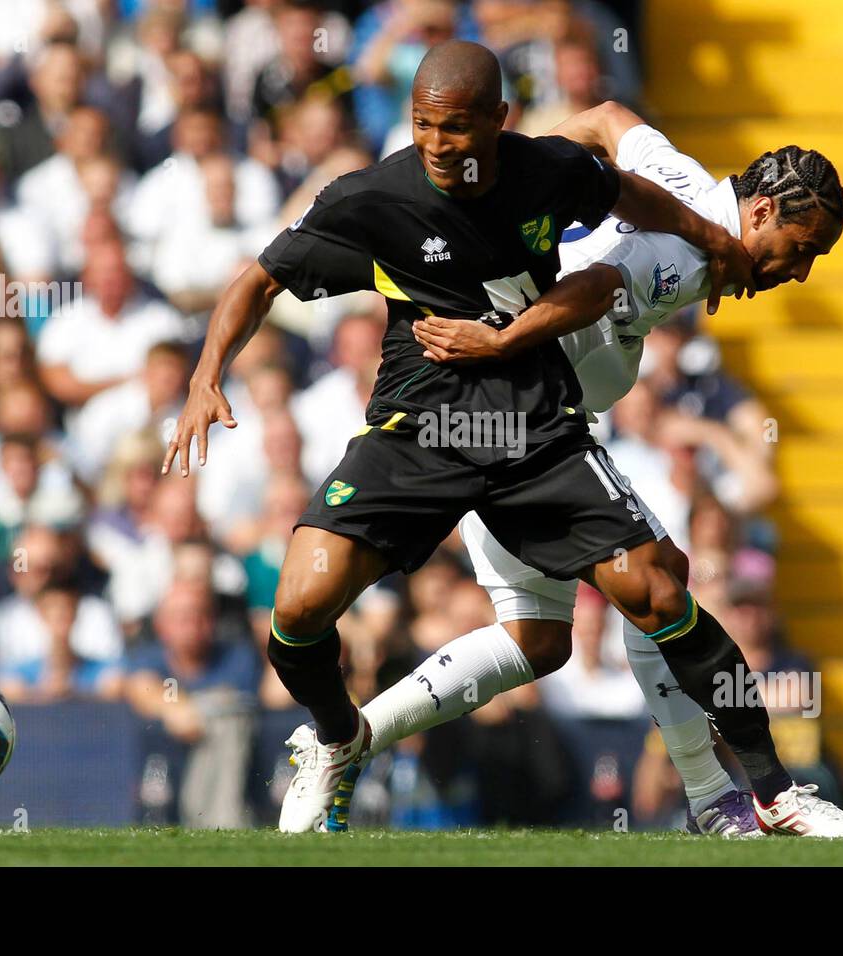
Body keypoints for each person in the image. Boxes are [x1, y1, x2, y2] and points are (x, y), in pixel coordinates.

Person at [163, 40, 756, 834]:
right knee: (299, 611)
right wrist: (208, 374)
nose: (438, 144)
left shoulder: (545, 170)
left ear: (498, 121)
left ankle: (738, 795)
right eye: (423, 126)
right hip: (421, 428)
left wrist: (711, 238)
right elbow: (259, 275)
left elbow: (627, 191)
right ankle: (338, 740)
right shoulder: (373, 198)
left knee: (607, 612)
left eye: (456, 128)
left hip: (535, 429)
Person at [349, 99, 843, 837]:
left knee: (539, 638)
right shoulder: (686, 253)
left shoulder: (678, 178)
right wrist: (504, 341)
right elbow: (599, 286)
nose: (802, 272)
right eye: (801, 246)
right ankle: (729, 796)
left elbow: (606, 115)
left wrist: (531, 175)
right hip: (525, 428)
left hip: (523, 420)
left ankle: (345, 741)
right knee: (659, 580)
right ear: (761, 210)